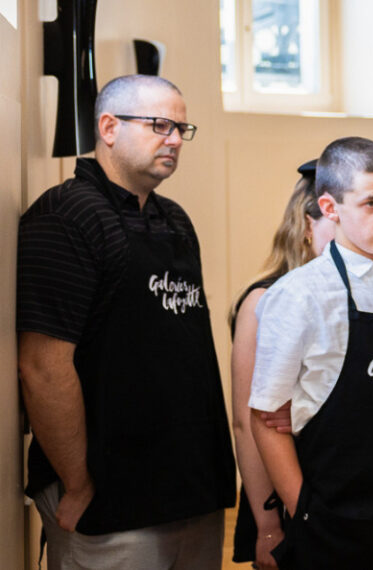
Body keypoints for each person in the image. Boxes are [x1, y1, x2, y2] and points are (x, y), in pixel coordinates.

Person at [17, 74, 235, 569]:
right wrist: (77, 483)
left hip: (192, 493)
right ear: (109, 127)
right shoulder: (66, 216)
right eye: (160, 125)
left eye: (182, 128)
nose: (175, 139)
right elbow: (43, 367)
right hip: (111, 504)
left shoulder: (174, 219)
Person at [248, 137, 373, 569]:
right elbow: (265, 419)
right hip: (328, 523)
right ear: (330, 207)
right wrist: (303, 509)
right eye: (372, 204)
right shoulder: (298, 295)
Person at [229, 160, 335, 568]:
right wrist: (268, 524)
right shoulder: (264, 300)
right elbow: (247, 421)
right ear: (307, 224)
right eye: (334, 220)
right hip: (284, 502)